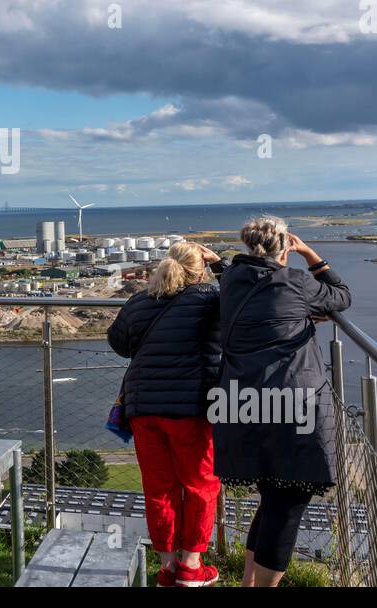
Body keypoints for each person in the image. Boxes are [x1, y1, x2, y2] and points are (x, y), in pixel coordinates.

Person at [213, 215, 351, 587]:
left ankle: (248, 583)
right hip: (292, 402)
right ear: (284, 247)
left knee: (273, 496)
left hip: (240, 401)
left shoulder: (229, 281)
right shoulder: (296, 280)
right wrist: (311, 254)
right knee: (288, 501)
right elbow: (342, 296)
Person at [108, 240, 226, 587]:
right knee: (201, 485)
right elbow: (244, 296)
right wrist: (220, 265)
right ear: (200, 269)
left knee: (159, 488)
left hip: (143, 406)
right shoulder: (211, 299)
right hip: (192, 408)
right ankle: (192, 565)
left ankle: (168, 566)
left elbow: (118, 343)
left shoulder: (140, 301)